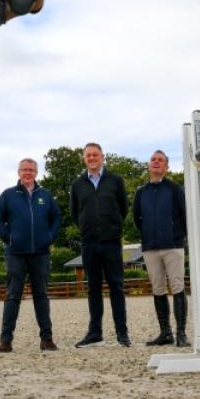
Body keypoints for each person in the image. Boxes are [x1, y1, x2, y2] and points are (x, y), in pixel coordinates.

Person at [0, 157, 62, 352]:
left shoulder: (46, 195)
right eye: (24, 169)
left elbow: (57, 217)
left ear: (36, 173)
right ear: (19, 172)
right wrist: (9, 238)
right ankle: (6, 341)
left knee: (41, 296)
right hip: (16, 253)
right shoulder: (8, 195)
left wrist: (49, 237)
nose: (28, 172)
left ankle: (47, 339)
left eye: (31, 169)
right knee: (13, 296)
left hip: (40, 253)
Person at [69, 142, 131, 347]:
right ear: (84, 158)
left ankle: (122, 333)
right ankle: (95, 333)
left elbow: (123, 208)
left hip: (111, 243)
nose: (92, 158)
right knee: (93, 288)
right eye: (88, 155)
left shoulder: (115, 181)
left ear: (102, 157)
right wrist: (88, 228)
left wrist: (112, 227)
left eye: (95, 155)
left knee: (116, 287)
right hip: (89, 244)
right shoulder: (77, 185)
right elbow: (75, 214)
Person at [133, 150, 190, 347]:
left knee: (177, 287)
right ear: (149, 165)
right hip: (150, 247)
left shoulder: (175, 189)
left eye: (161, 160)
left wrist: (178, 236)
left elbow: (185, 215)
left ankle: (181, 333)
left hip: (172, 245)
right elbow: (137, 219)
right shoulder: (141, 193)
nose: (156, 162)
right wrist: (148, 234)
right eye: (153, 160)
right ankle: (165, 333)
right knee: (157, 288)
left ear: (166, 167)